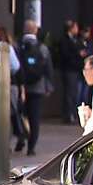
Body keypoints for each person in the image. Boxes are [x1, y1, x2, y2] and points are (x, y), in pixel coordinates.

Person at [15, 22, 53, 156]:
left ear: (24, 30)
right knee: (34, 118)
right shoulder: (42, 48)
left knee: (19, 115)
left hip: (22, 87)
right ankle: (31, 147)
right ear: (36, 31)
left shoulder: (18, 46)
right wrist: (48, 86)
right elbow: (48, 68)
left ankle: (21, 137)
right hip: (38, 88)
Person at [54, 20, 85, 111]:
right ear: (70, 28)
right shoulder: (64, 40)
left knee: (76, 92)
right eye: (75, 27)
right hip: (69, 69)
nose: (77, 29)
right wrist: (78, 54)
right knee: (69, 92)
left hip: (77, 68)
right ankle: (68, 113)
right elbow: (65, 54)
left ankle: (73, 112)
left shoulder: (77, 39)